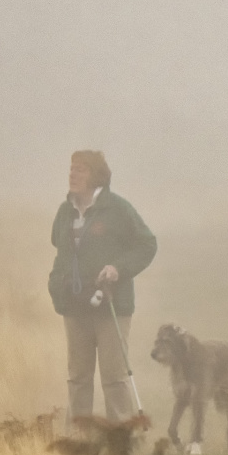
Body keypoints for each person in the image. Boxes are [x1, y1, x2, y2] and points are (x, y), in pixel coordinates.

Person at [48, 151, 157, 425]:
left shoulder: (118, 209)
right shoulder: (64, 211)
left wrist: (118, 268)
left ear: (96, 176)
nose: (72, 174)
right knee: (78, 378)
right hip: (75, 305)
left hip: (111, 304)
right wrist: (57, 286)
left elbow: (147, 244)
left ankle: (120, 439)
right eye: (71, 168)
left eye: (80, 169)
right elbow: (60, 250)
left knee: (114, 378)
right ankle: (79, 440)